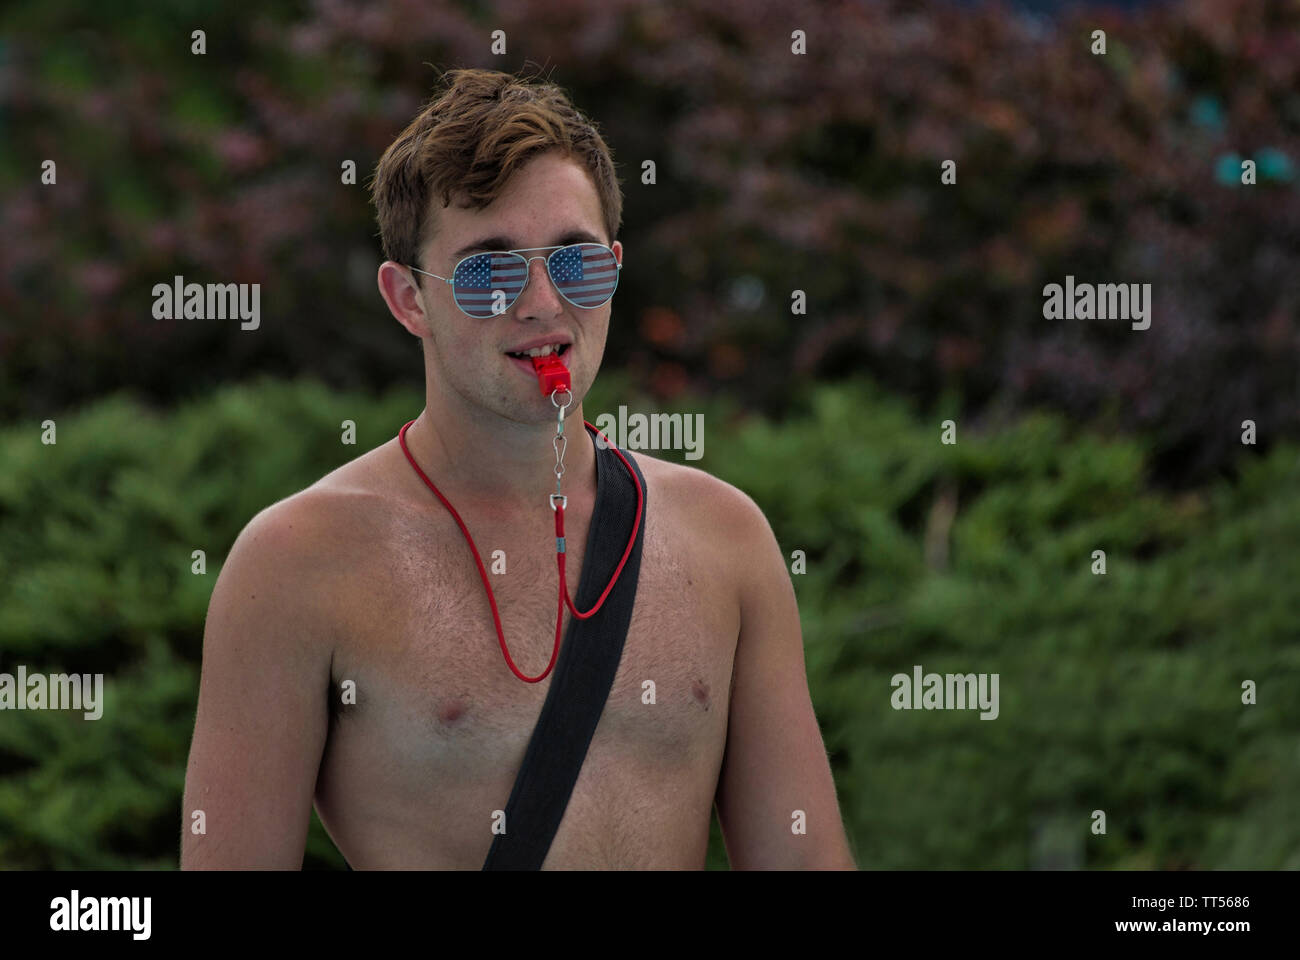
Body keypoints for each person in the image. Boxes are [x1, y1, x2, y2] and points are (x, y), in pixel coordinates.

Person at [181, 67, 855, 870]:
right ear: (407, 300)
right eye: (487, 271)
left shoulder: (727, 538)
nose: (541, 303)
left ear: (615, 265)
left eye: (576, 264)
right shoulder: (297, 562)